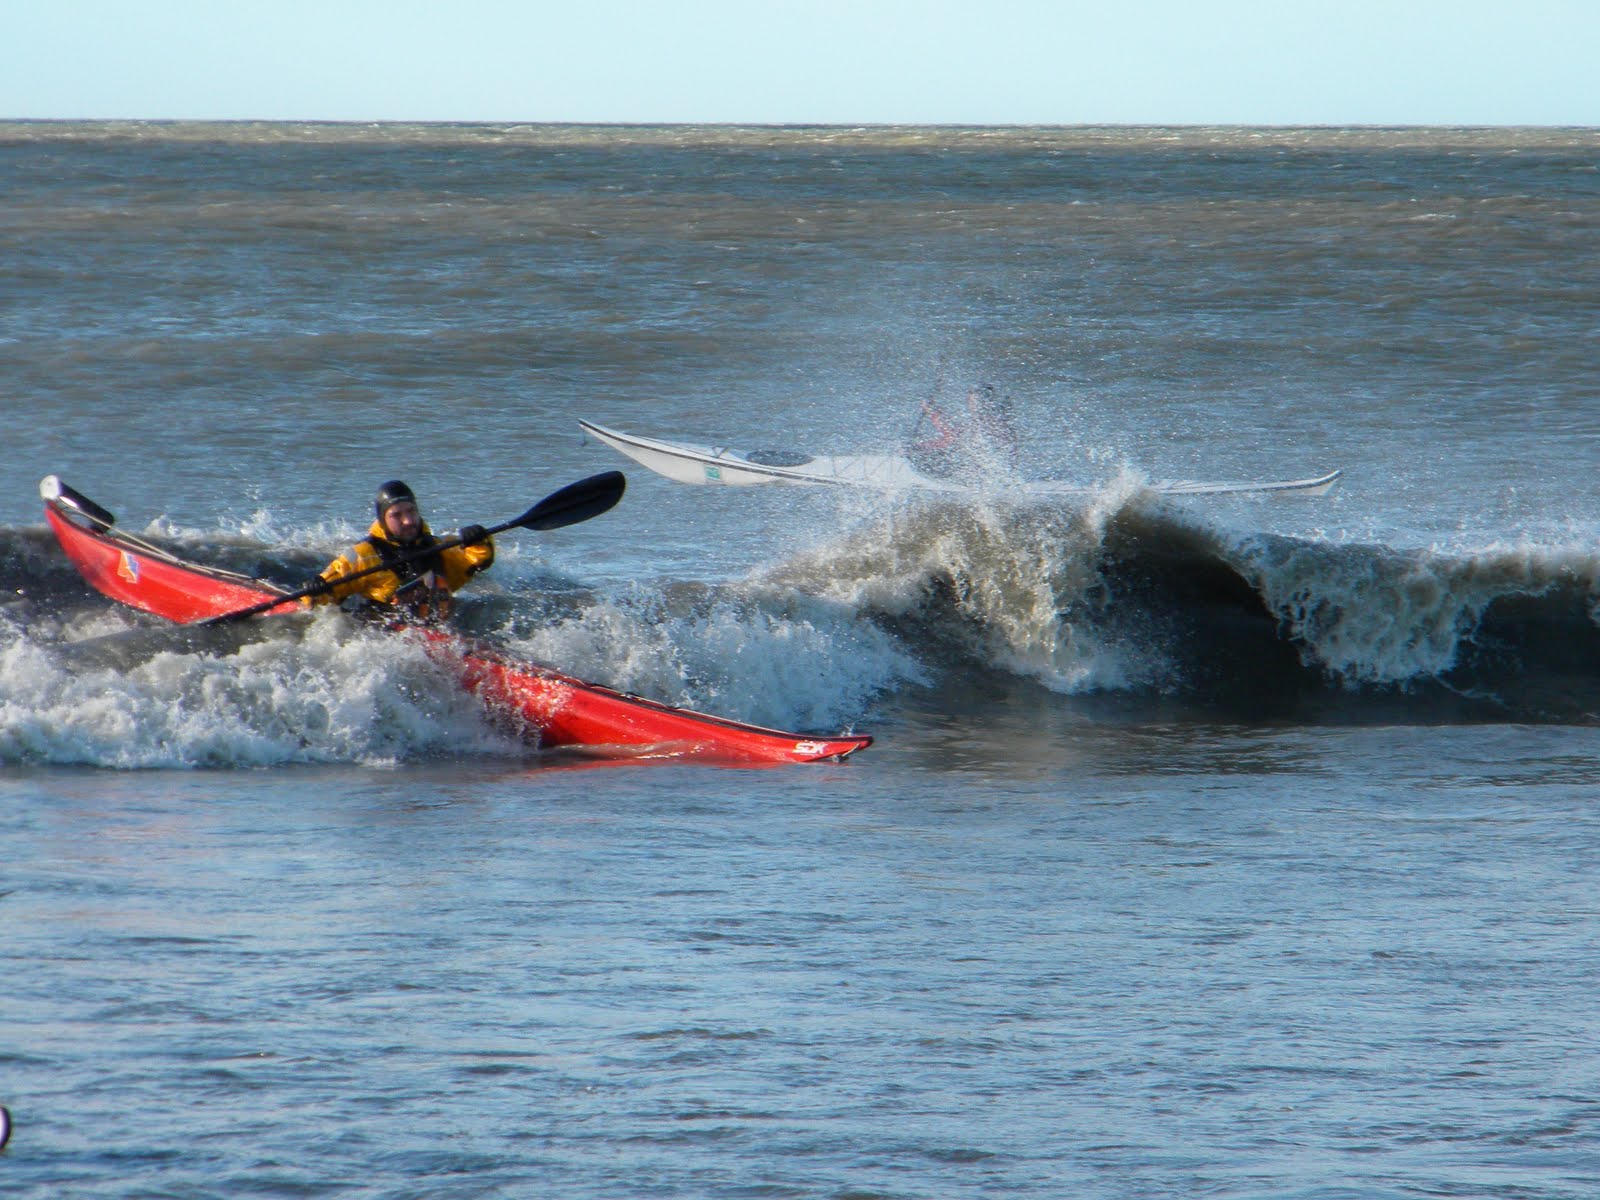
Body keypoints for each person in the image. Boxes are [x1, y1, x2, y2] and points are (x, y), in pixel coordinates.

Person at [306, 480, 494, 621]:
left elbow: (478, 561)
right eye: (397, 515)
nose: (408, 521)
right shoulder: (364, 555)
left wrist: (478, 540)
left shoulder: (438, 547)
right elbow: (319, 601)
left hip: (435, 630)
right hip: (383, 631)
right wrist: (316, 590)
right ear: (382, 520)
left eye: (411, 511)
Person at [908, 383, 1019, 478]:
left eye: (972, 401)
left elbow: (951, 437)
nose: (970, 404)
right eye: (969, 400)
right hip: (996, 471)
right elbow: (955, 434)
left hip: (979, 474)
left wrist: (919, 446)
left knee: (916, 453)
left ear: (981, 402)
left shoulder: (986, 422)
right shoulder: (995, 419)